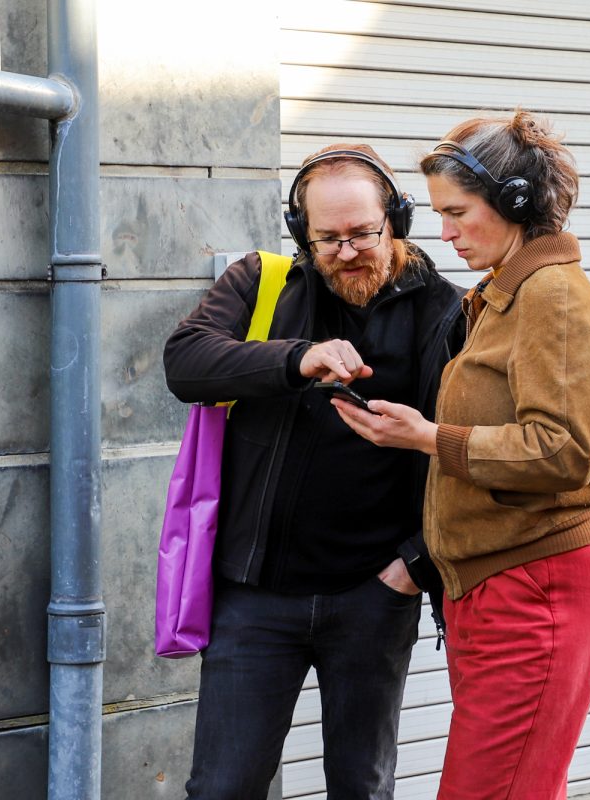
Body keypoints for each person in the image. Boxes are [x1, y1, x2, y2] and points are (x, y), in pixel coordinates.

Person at [332, 110, 590, 799]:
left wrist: (427, 437)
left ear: (514, 203)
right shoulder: (502, 297)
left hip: (538, 592)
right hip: (495, 591)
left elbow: (563, 451)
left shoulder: (551, 299)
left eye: (458, 212)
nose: (446, 233)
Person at [164, 143, 466, 799]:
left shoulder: (446, 313)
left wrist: (413, 566)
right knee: (222, 786)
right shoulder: (262, 284)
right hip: (255, 597)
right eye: (328, 238)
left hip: (373, 597)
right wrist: (295, 358)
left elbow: (463, 453)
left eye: (363, 233)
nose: (348, 251)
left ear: (397, 219)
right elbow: (185, 363)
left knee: (361, 785)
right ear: (302, 232)